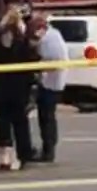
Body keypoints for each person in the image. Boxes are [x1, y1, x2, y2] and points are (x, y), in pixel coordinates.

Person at [0, 7, 40, 171]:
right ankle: (24, 156)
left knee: (1, 124)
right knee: (21, 124)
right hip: (19, 91)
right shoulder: (24, 45)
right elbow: (34, 66)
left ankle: (5, 159)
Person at [28, 13, 66, 163]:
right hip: (52, 81)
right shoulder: (53, 36)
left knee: (47, 118)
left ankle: (48, 150)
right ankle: (48, 149)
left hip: (51, 83)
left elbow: (49, 60)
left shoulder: (50, 39)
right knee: (46, 117)